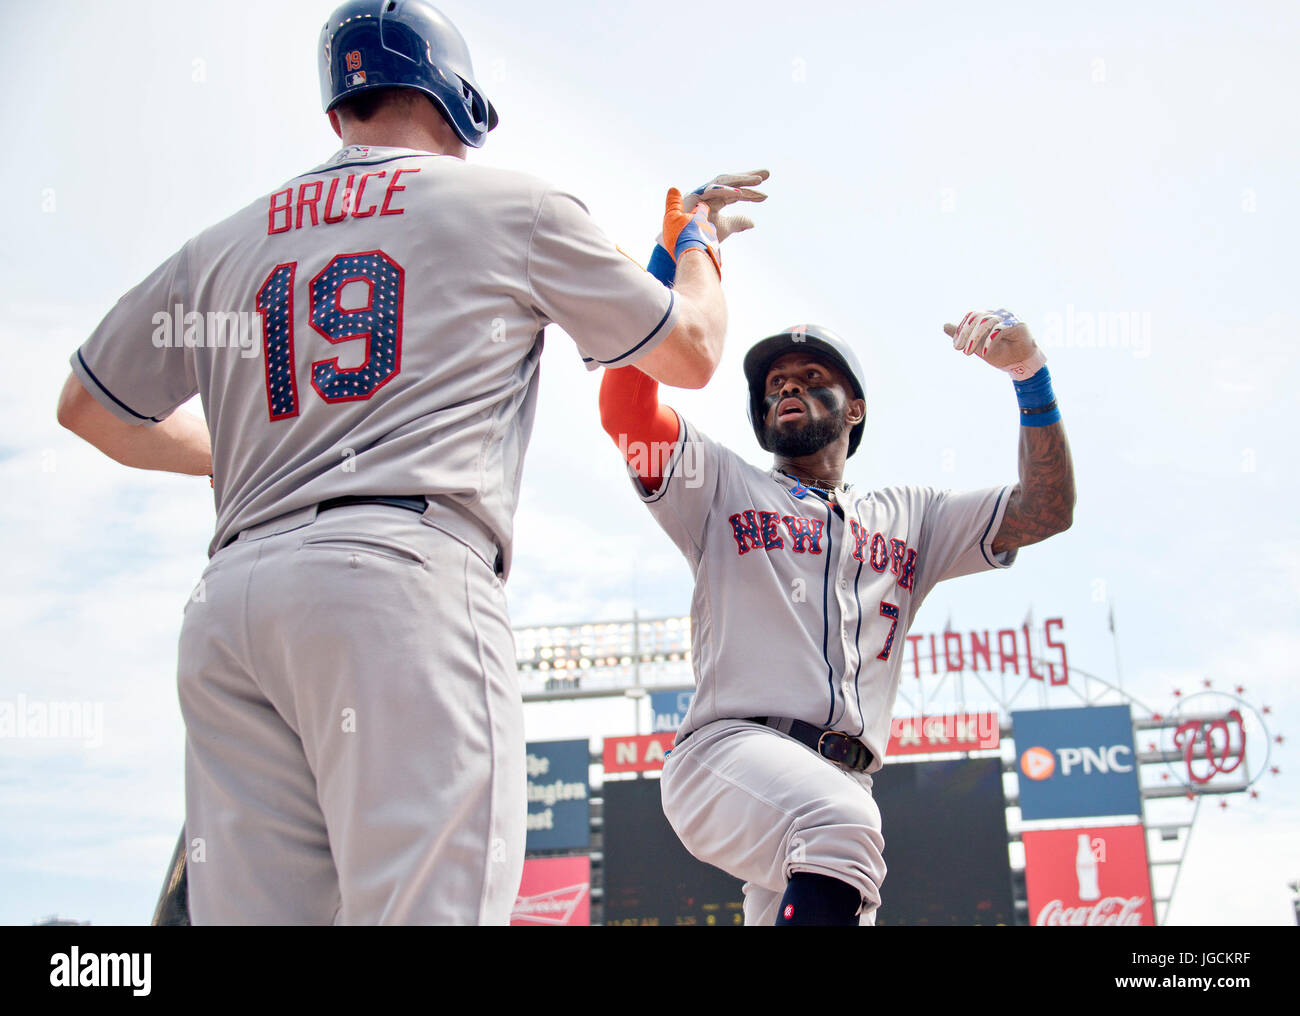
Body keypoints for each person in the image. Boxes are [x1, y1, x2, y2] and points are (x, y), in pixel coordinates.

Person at [55, 0, 751, 925]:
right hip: (396, 584)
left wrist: (261, 466)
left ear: (337, 111)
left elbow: (86, 408)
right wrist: (694, 237)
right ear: (459, 101)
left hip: (231, 609)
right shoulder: (512, 203)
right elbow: (692, 351)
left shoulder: (223, 240)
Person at [599, 291, 1075, 925]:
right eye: (775, 382)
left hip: (841, 780)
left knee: (841, 837)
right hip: (732, 752)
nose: (788, 386)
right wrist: (677, 259)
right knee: (844, 828)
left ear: (855, 409)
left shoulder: (915, 516)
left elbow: (1047, 508)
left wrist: (1030, 374)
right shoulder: (719, 484)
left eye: (812, 377)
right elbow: (625, 410)